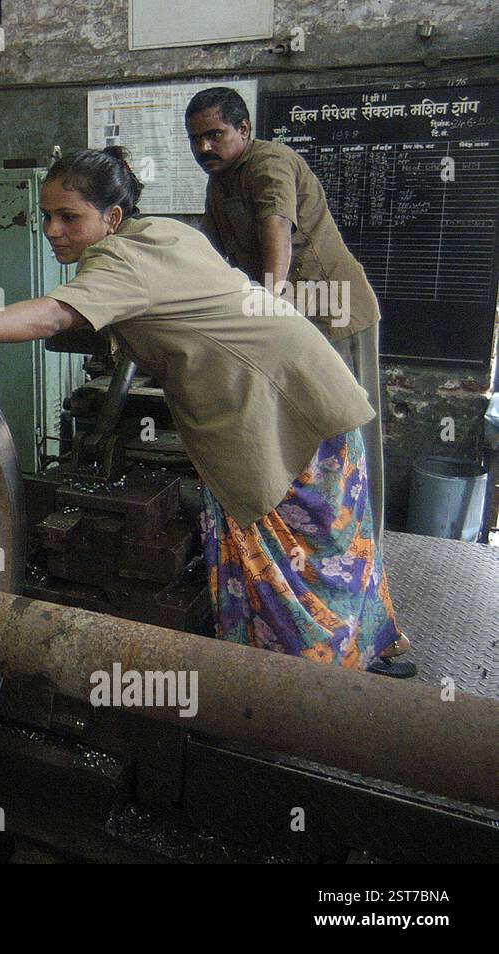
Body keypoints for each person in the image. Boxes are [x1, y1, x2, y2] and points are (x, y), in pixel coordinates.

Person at [0, 146, 404, 673]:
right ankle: (372, 646)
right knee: (336, 537)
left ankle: (310, 687)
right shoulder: (163, 231)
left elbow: (55, 317)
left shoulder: (119, 259)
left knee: (290, 559)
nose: (52, 230)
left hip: (273, 412)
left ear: (112, 217)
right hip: (311, 383)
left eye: (69, 217)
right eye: (46, 216)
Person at [185, 86, 412, 673]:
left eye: (215, 134)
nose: (205, 147)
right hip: (288, 334)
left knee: (350, 451)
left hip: (333, 319)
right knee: (310, 465)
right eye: (196, 139)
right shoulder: (218, 183)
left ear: (244, 128)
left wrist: (270, 302)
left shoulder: (268, 162)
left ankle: (366, 577)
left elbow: (276, 227)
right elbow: (212, 254)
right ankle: (307, 578)